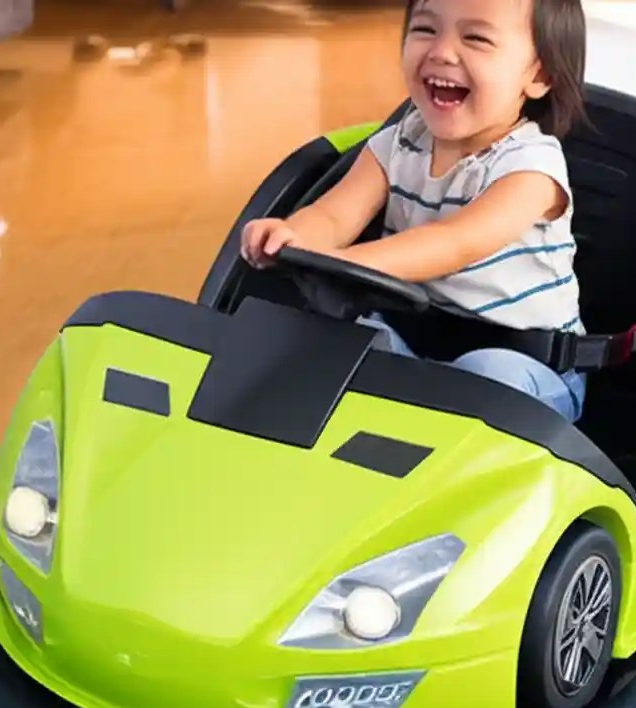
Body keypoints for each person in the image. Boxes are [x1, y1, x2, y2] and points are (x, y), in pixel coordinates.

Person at [239, 0, 589, 422]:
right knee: (332, 339)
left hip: (527, 369)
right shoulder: (396, 144)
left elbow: (454, 242)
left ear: (539, 75)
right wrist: (292, 238)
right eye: (425, 29)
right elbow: (333, 216)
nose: (441, 51)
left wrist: (345, 262)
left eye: (475, 37)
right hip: (415, 348)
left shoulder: (532, 168)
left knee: (487, 375)